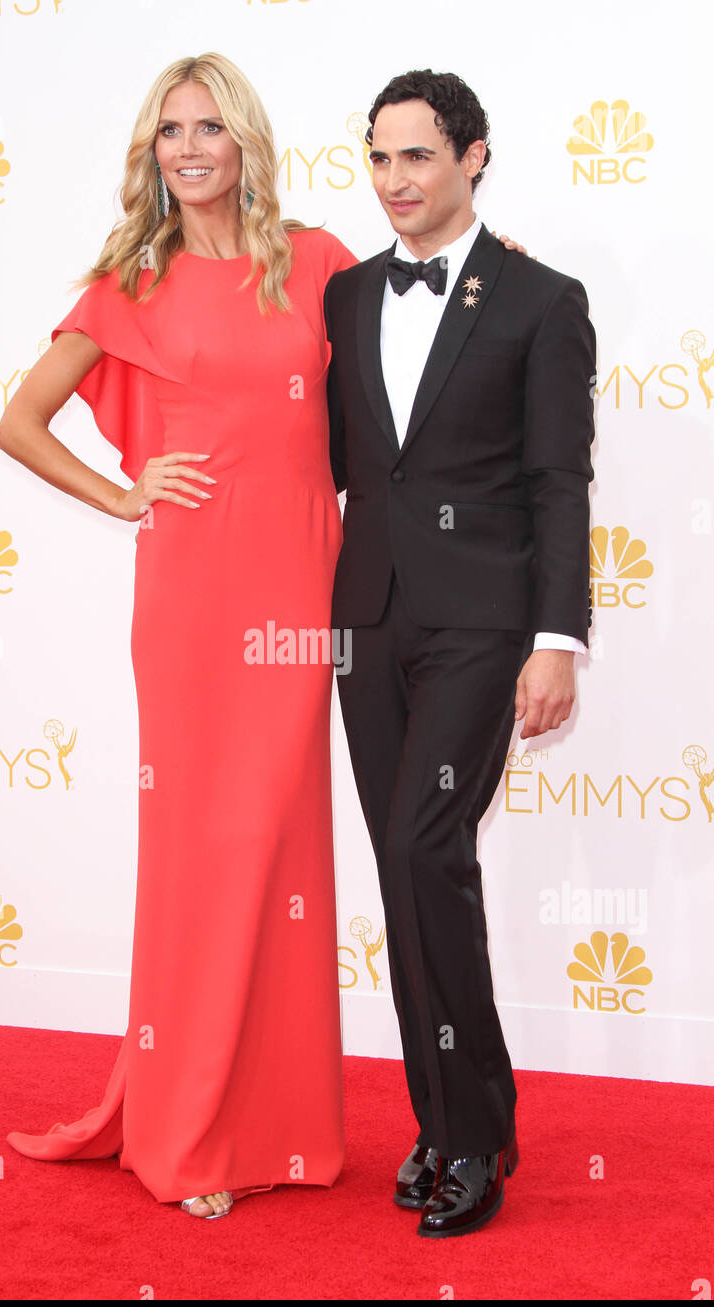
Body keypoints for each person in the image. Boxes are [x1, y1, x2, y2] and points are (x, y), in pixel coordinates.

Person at [0, 52, 359, 1220]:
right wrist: (120, 493)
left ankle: (286, 1129)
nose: (190, 148)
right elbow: (21, 420)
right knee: (211, 850)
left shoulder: (316, 263)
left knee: (285, 850)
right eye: (170, 131)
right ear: (152, 152)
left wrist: (479, 279)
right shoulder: (131, 281)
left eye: (209, 127)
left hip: (306, 586)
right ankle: (185, 1132)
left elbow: (406, 376)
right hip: (198, 590)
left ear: (245, 139)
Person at [323, 69, 596, 1237]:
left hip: (484, 625)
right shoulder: (339, 297)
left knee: (431, 847)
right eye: (379, 159)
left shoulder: (542, 299)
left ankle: (477, 1134)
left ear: (473, 157)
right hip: (368, 616)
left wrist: (556, 638)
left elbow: (557, 480)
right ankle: (439, 1125)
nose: (395, 182)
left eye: (418, 158)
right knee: (403, 867)